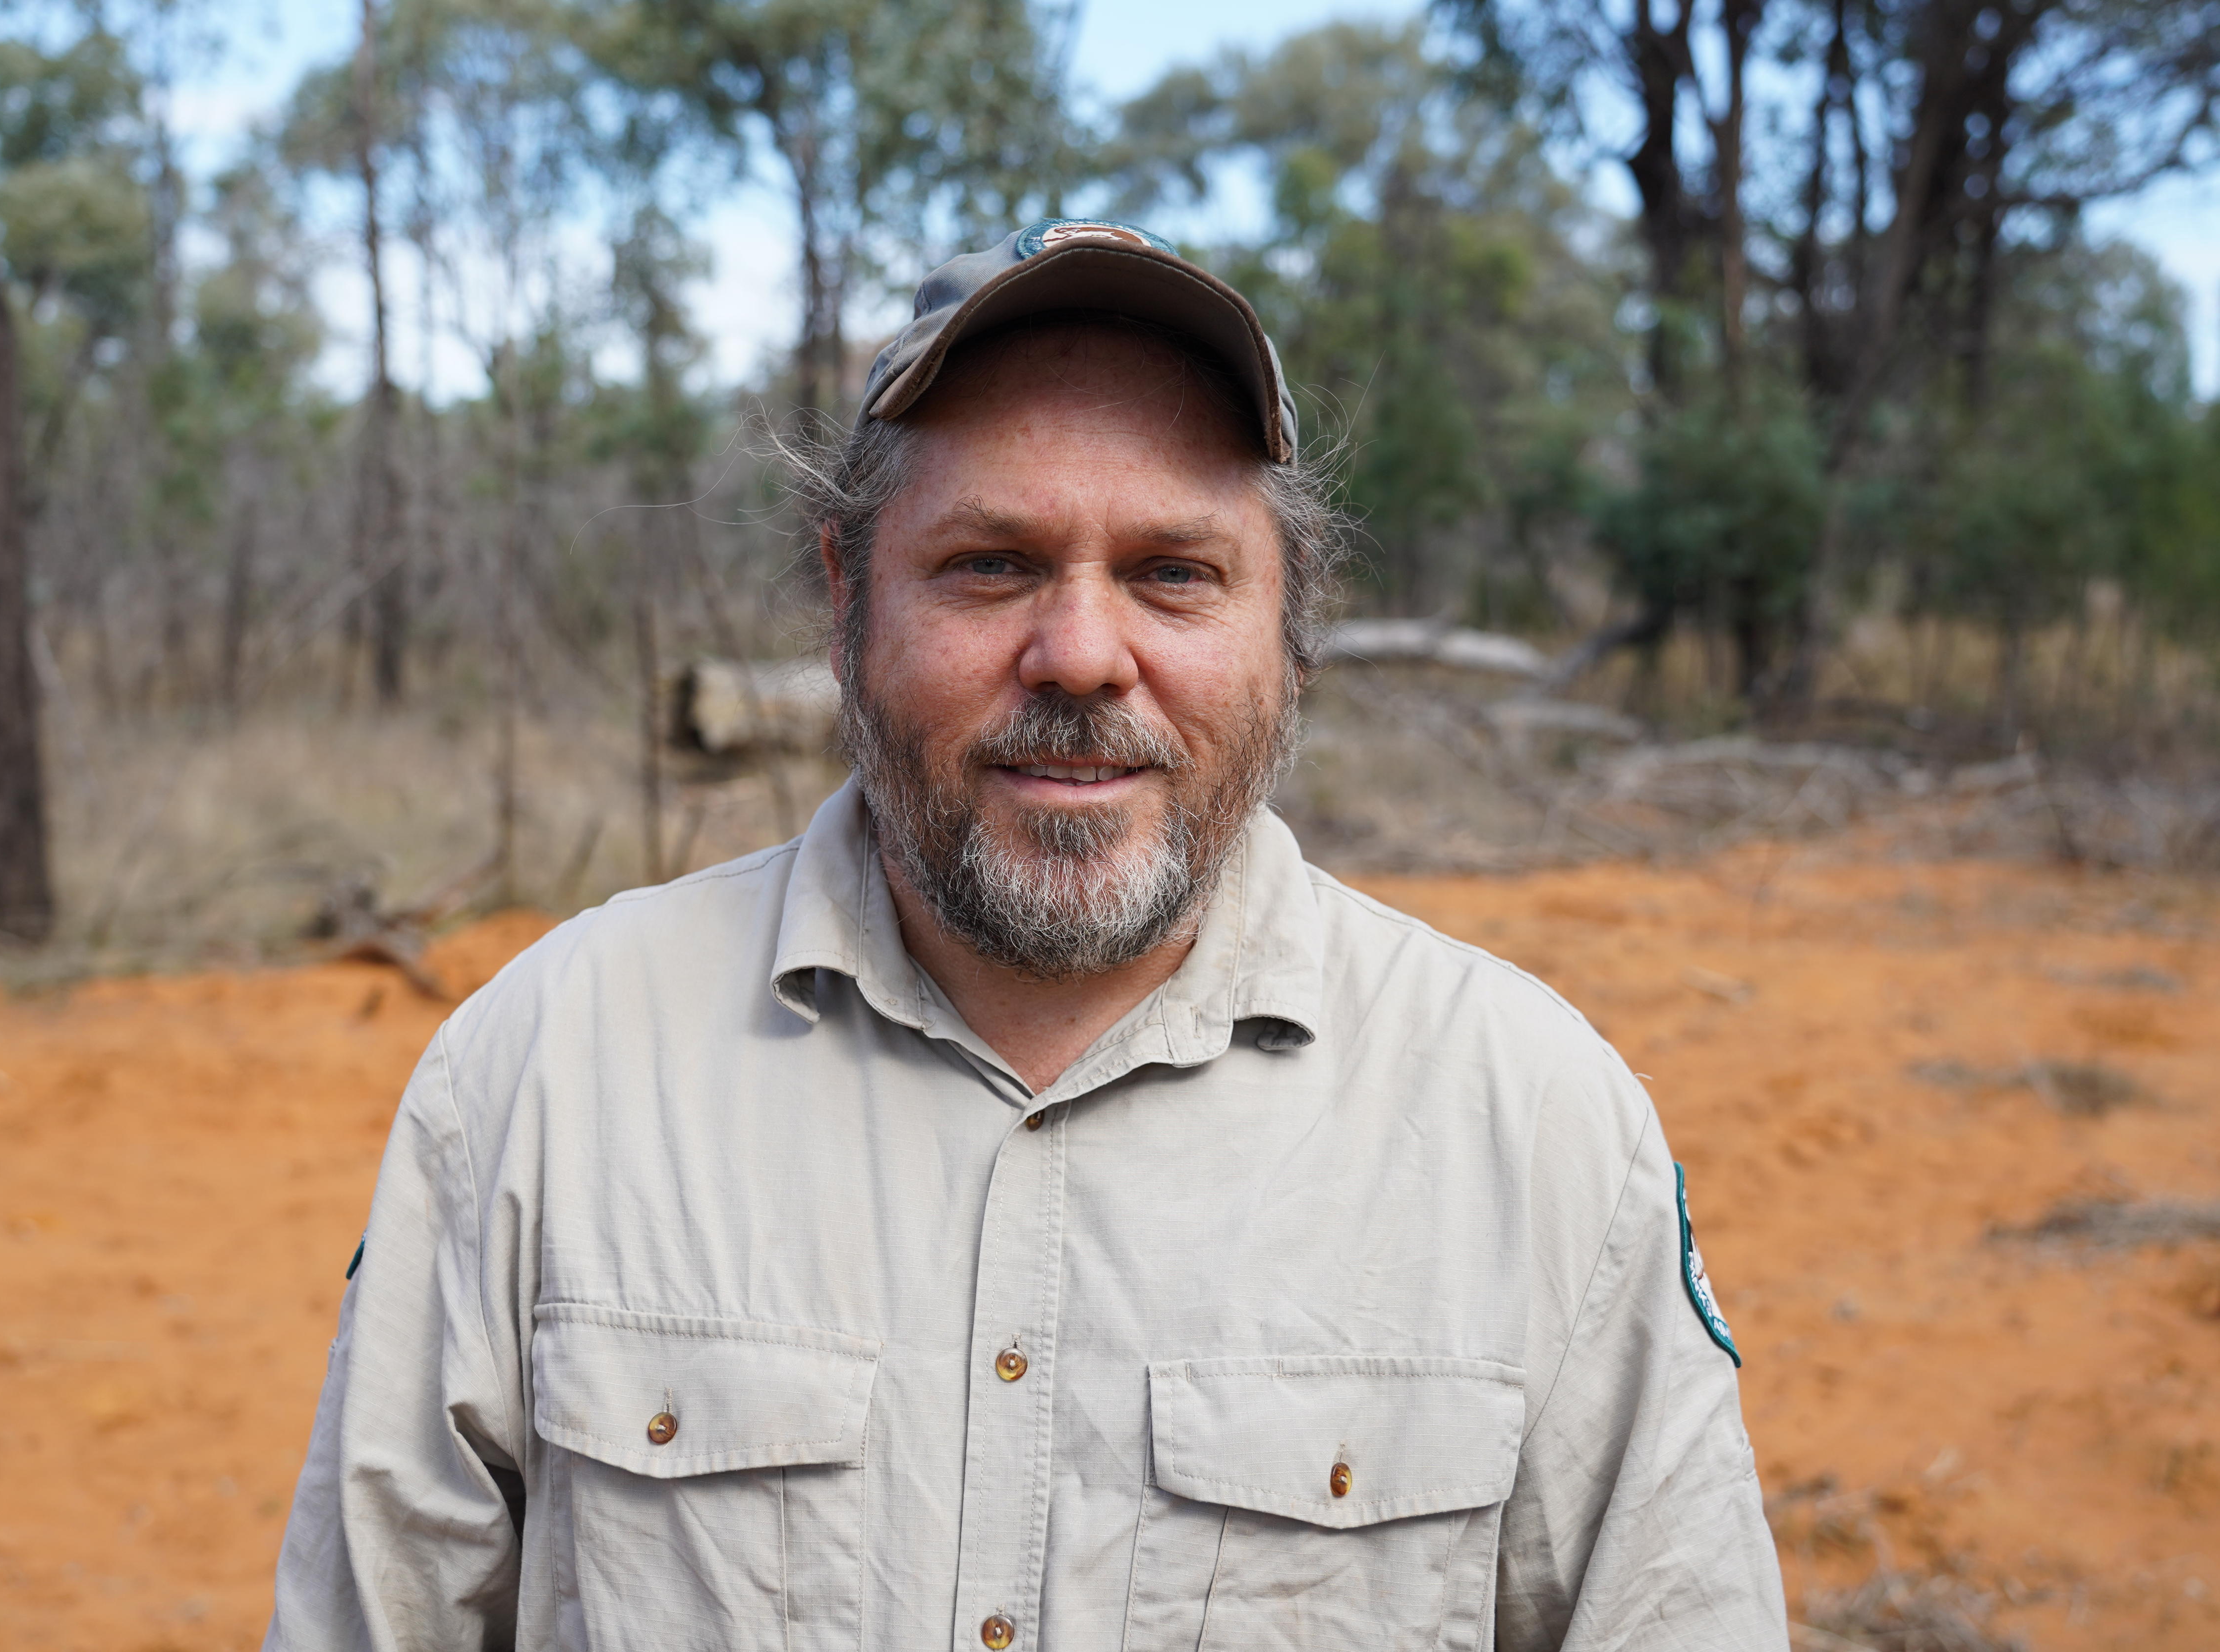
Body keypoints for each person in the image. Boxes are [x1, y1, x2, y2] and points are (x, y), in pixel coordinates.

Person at [263, 219, 1788, 1651]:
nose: (1079, 656)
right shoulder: (543, 1075)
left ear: (1292, 625)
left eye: (1173, 575)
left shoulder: (1536, 1128)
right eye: (990, 565)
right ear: (847, 593)